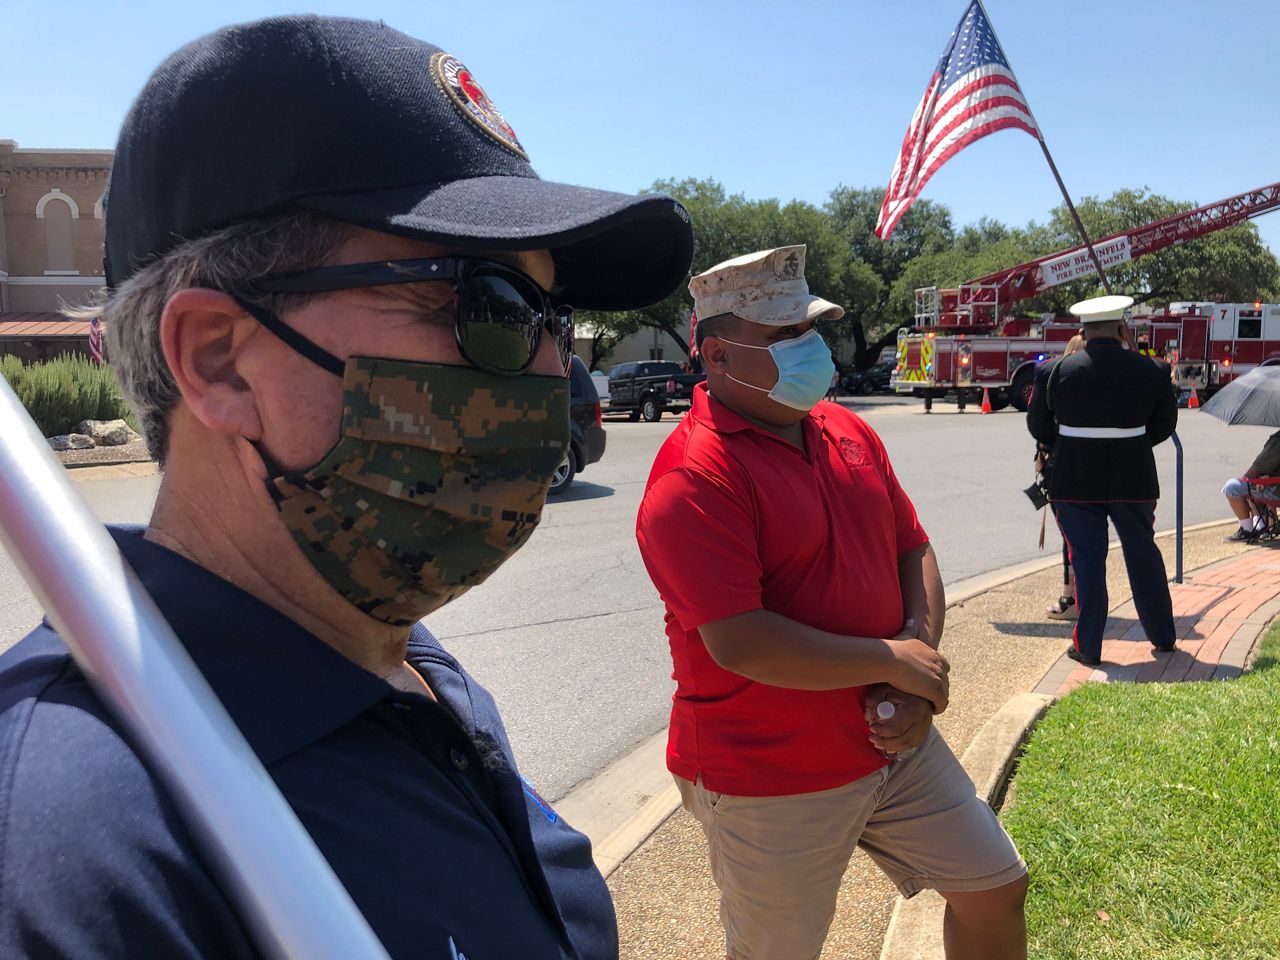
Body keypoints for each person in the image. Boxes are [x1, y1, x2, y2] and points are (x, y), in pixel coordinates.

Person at [0, 16, 693, 959]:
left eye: (552, 319)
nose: (546, 373)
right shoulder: (70, 863)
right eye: (487, 306)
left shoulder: (406, 670)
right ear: (220, 361)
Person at [636, 246, 1028, 960]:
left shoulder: (846, 429)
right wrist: (894, 661)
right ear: (718, 358)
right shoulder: (694, 477)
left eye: (809, 329)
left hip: (897, 747)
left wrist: (916, 662)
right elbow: (743, 642)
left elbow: (913, 548)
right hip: (770, 773)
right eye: (784, 337)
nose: (809, 348)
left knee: (994, 886)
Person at [1027, 295, 1179, 667]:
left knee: (1088, 562)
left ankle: (1089, 647)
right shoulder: (1153, 371)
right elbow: (1163, 426)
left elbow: (1039, 426)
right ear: (1122, 328)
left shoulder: (1054, 374)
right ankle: (1163, 637)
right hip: (1134, 481)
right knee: (1143, 555)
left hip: (1074, 483)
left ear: (1083, 329)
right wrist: (1128, 442)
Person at [1034, 335, 1085, 620]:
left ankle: (1071, 598)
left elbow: (1039, 427)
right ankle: (1082, 596)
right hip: (1091, 473)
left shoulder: (1054, 383)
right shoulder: (1092, 386)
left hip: (1060, 472)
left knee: (1069, 538)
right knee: (1086, 539)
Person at [1221, 428, 1280, 542]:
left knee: (1232, 487)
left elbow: (1252, 472)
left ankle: (1247, 530)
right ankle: (1265, 522)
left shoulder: (1277, 442)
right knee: (1259, 484)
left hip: (1276, 492)